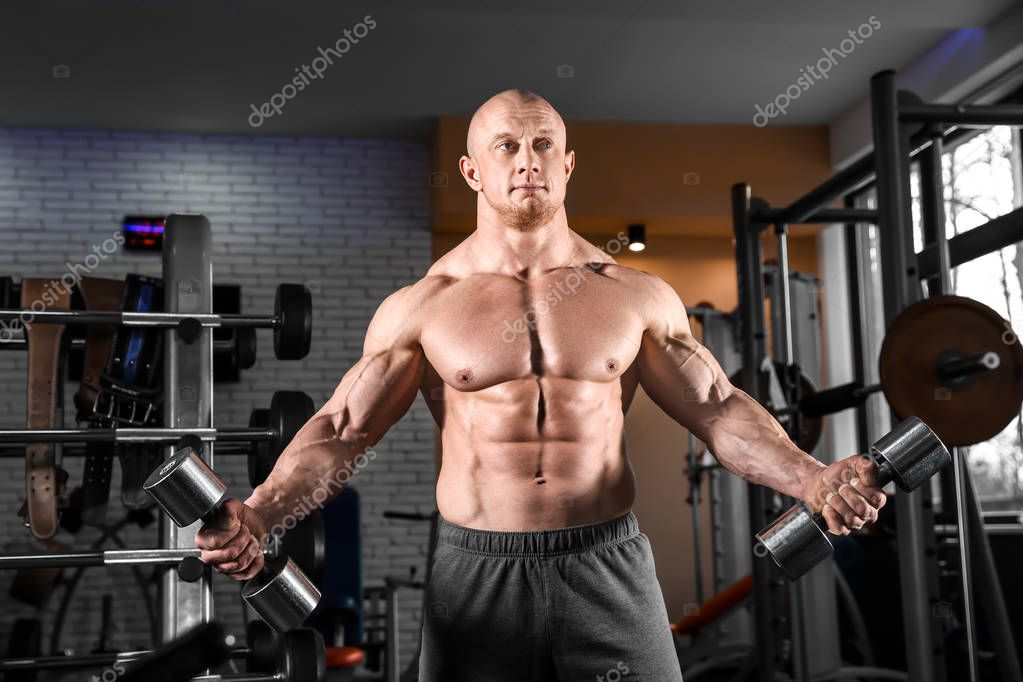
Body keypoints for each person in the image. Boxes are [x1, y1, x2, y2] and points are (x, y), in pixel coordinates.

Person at [196, 89, 888, 680]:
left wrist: (810, 479)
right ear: (470, 170)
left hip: (605, 562)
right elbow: (345, 431)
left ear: (567, 162)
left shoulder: (636, 295)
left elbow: (715, 406)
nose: (526, 158)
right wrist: (259, 512)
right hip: (475, 570)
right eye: (505, 146)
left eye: (542, 143)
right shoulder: (426, 302)